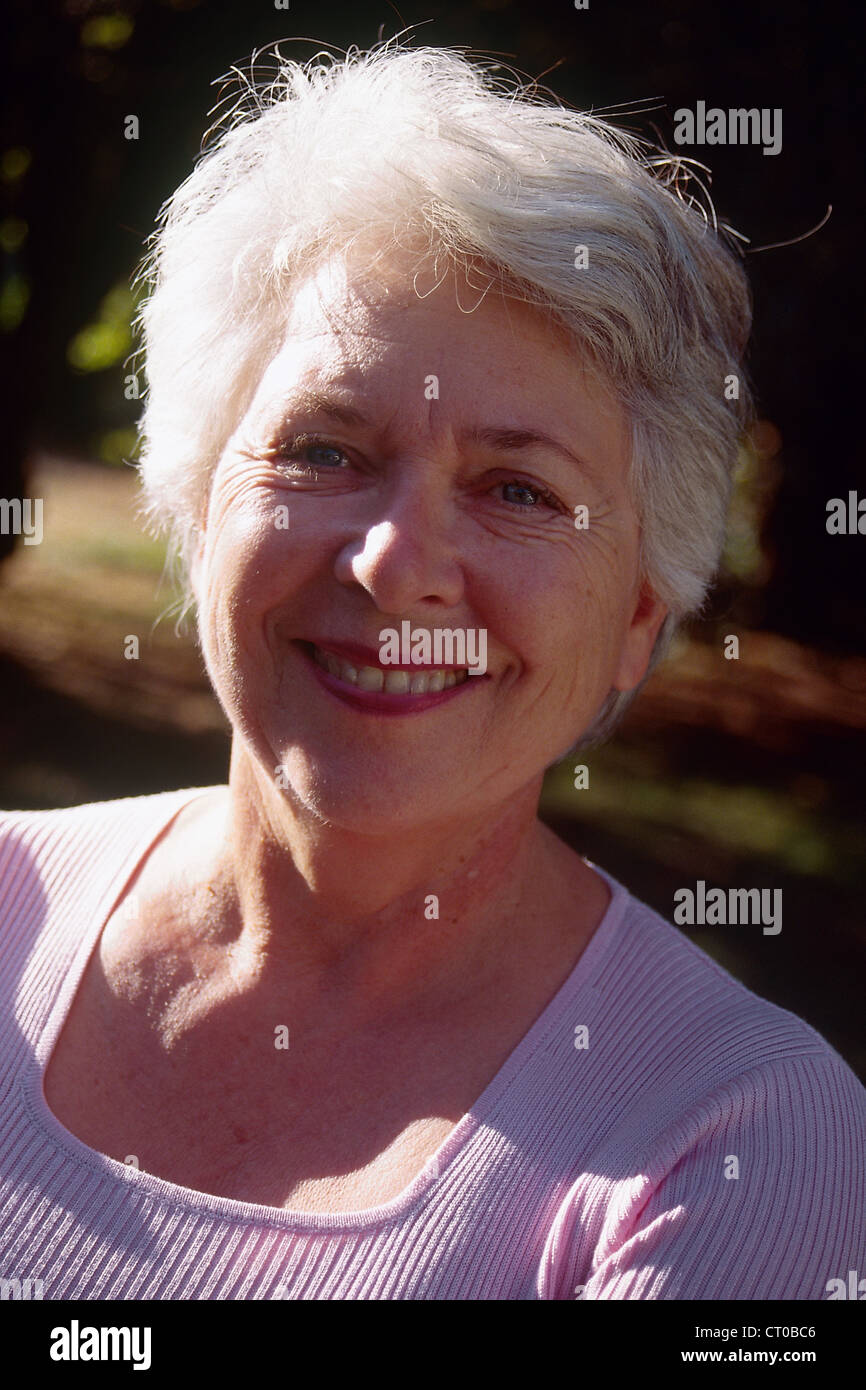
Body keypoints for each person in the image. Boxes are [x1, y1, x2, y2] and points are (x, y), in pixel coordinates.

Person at [0, 40, 863, 1301]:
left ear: (636, 611)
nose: (398, 564)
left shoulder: (737, 1142)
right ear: (193, 499)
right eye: (326, 450)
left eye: (518, 489)